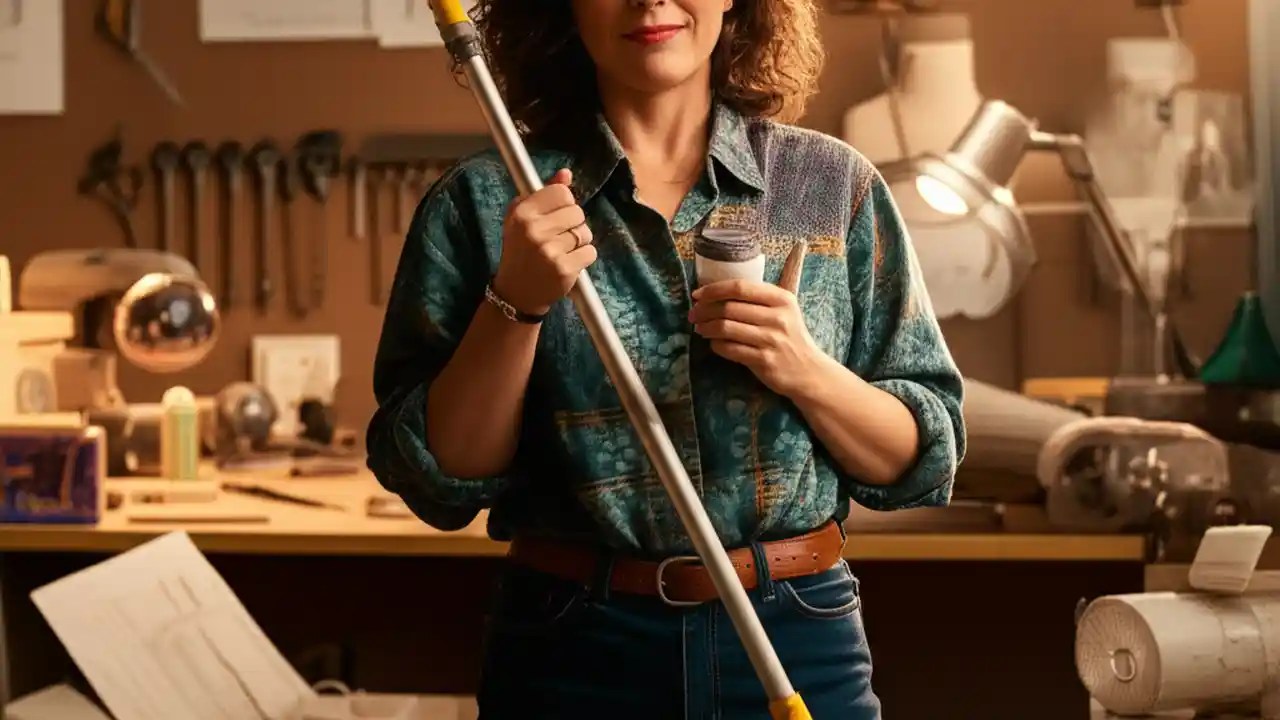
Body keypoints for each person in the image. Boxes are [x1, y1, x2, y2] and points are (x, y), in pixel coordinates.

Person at [365, 0, 966, 717]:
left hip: (795, 635)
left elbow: (924, 459)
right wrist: (516, 303)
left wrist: (804, 370)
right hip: (574, 645)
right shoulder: (487, 201)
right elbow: (443, 480)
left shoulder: (828, 186)